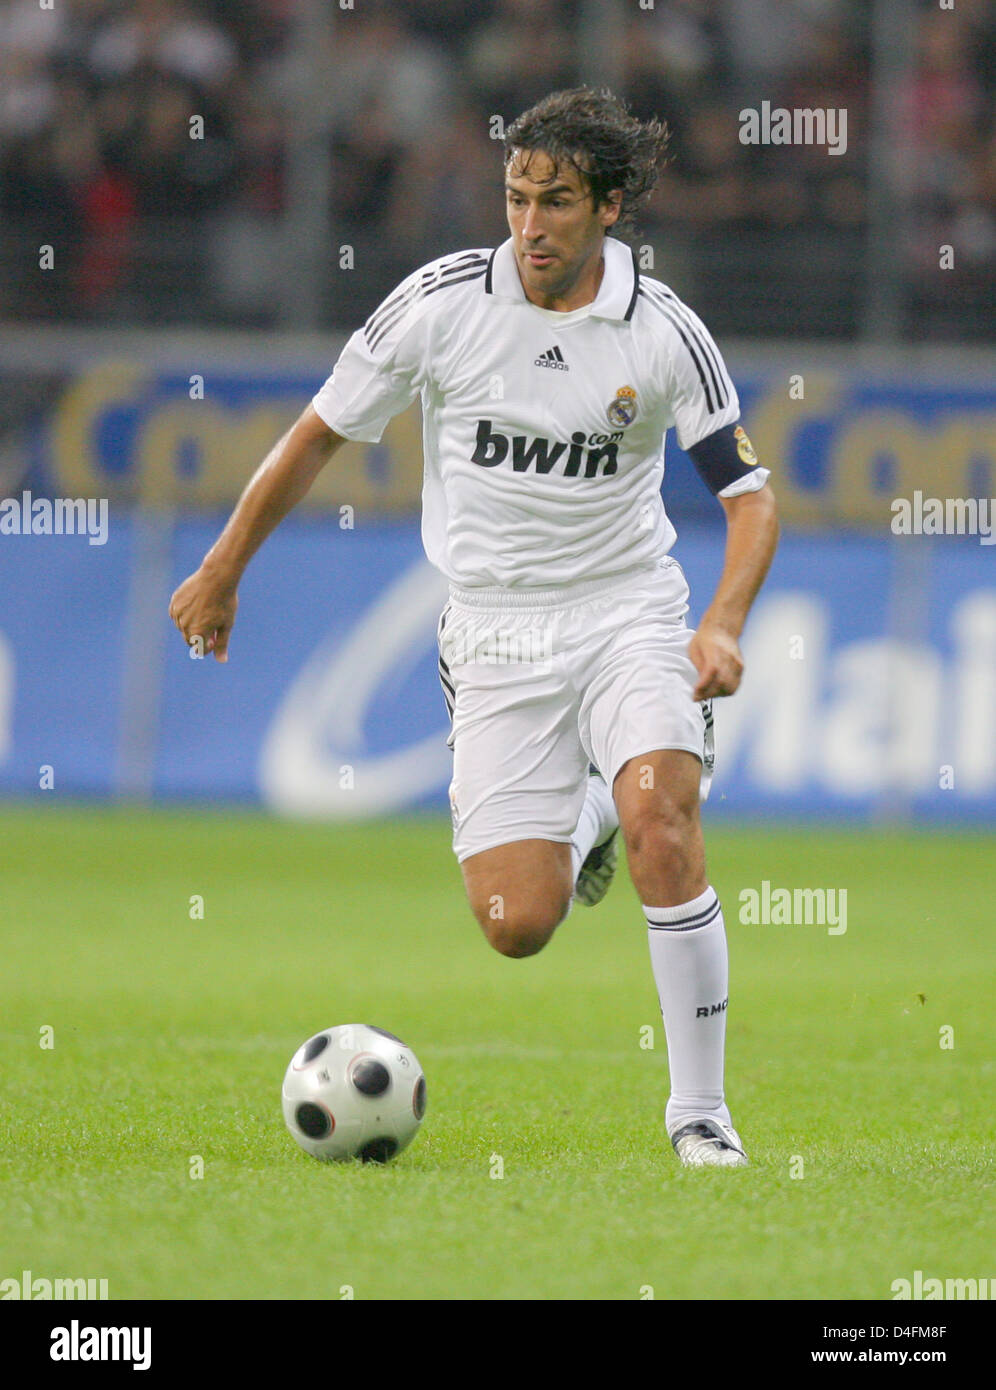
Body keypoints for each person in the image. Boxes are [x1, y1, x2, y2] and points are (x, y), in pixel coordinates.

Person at [169, 88, 779, 1168]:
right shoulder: (442, 304)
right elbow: (317, 435)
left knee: (665, 824)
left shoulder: (662, 328)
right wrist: (221, 570)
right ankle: (591, 815)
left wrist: (722, 624)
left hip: (629, 611)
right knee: (516, 922)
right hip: (496, 634)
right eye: (515, 197)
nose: (529, 225)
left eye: (555, 203)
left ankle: (701, 1115)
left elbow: (750, 497)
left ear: (610, 207)